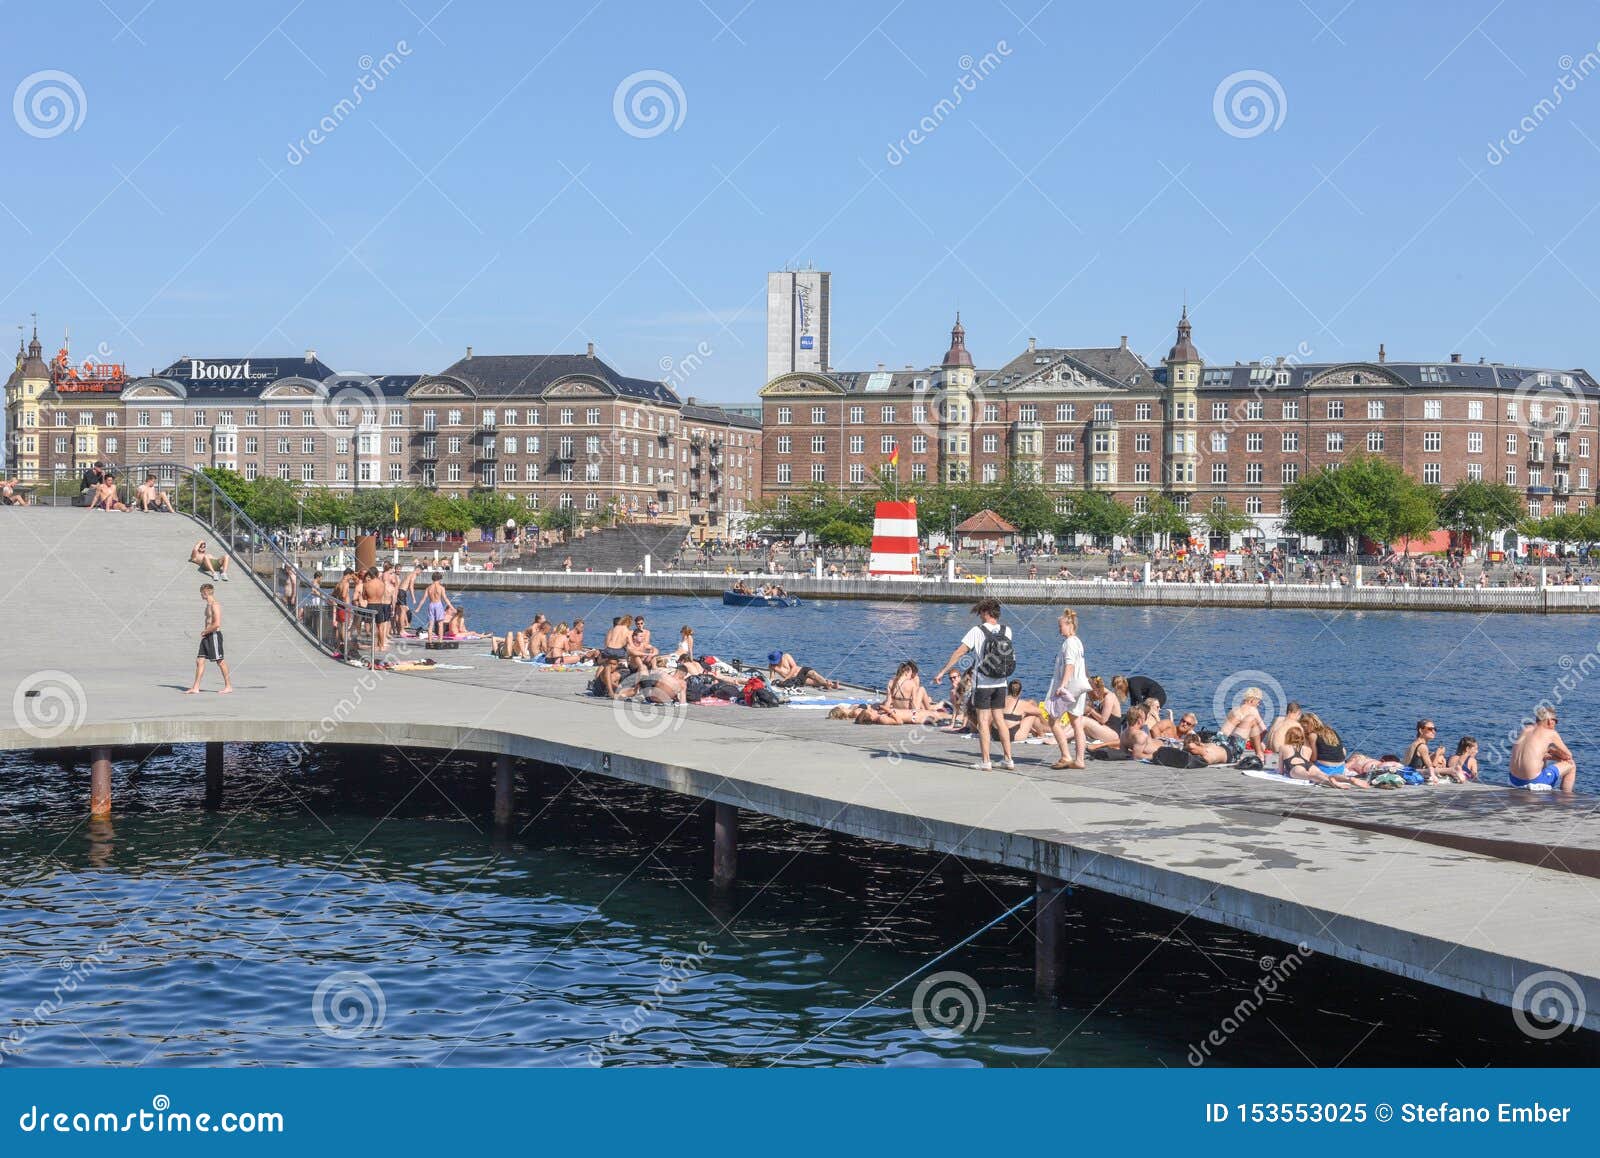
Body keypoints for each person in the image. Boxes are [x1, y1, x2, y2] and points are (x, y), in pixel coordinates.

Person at [933, 597, 1016, 772]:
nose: (979, 617)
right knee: (999, 719)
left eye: (980, 613)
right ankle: (1008, 759)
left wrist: (943, 671)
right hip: (1001, 682)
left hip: (983, 683)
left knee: (984, 721)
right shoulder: (1006, 630)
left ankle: (986, 761)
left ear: (985, 613)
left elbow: (959, 652)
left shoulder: (977, 631)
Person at [1044, 608, 1091, 770]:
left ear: (1069, 625)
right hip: (1079, 686)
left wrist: (1062, 686)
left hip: (1069, 686)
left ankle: (1066, 755)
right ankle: (1079, 760)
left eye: (1061, 625)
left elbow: (1069, 666)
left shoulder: (1069, 643)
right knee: (1076, 721)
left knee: (1053, 719)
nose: (1059, 629)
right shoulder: (1078, 642)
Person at [1510, 706, 1576, 791]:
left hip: (1514, 780)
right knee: (1571, 765)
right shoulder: (1551, 733)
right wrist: (1553, 752)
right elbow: (1568, 756)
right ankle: (1566, 797)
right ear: (1550, 721)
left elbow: (1534, 754)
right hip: (1534, 782)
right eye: (1555, 721)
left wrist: (1550, 753)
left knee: (1543, 757)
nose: (1555, 724)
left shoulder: (1525, 730)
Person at [184, 584, 233, 694]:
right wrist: (205, 632)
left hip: (214, 635)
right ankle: (195, 687)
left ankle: (228, 686)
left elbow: (217, 624)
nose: (201, 595)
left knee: (220, 661)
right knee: (200, 660)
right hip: (207, 636)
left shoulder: (215, 605)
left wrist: (205, 631)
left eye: (201, 593)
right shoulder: (208, 605)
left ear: (205, 592)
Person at [1217, 687, 1268, 756]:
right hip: (1235, 744)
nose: (1258, 705)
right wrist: (1256, 743)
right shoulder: (1253, 710)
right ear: (1252, 701)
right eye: (1258, 702)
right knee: (1262, 745)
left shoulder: (1233, 710)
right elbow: (1264, 730)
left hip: (1221, 740)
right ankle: (1259, 755)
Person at [768, 650, 839, 690]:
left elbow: (794, 667)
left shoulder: (786, 656)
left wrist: (785, 679)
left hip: (802, 670)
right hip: (796, 679)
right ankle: (830, 684)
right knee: (814, 683)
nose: (775, 663)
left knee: (814, 674)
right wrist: (770, 683)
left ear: (780, 657)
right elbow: (771, 678)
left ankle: (829, 684)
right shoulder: (772, 666)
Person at [421, 572, 453, 642]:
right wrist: (452, 607)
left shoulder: (428, 588)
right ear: (440, 579)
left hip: (431, 604)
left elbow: (423, 599)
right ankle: (440, 641)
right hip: (438, 604)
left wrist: (418, 608)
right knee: (440, 624)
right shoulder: (441, 588)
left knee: (431, 624)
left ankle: (429, 641)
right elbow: (445, 598)